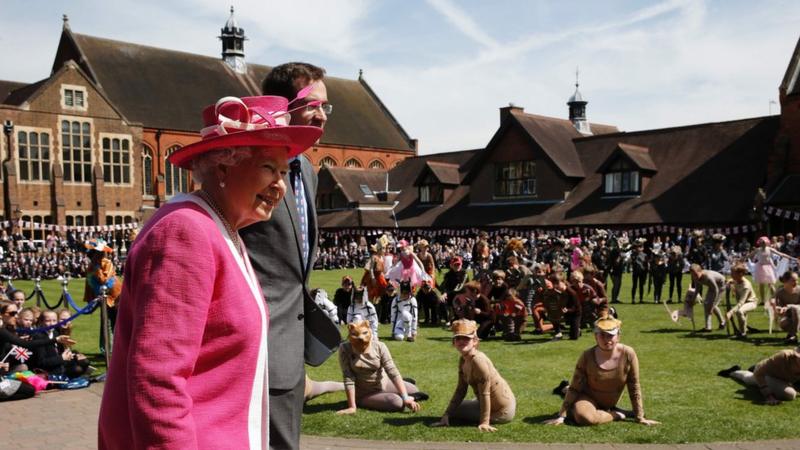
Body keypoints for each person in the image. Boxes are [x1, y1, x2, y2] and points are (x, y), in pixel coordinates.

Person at [98, 94, 322, 450]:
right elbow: (158, 380)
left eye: (283, 172)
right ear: (223, 166)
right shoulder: (187, 231)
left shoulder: (222, 229)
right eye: (268, 168)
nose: (280, 185)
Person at [239, 62, 332, 450]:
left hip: (292, 337)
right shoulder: (247, 164)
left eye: (328, 107)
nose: (323, 115)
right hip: (253, 337)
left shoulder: (307, 169)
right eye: (314, 104)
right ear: (282, 105)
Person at [543, 316, 659, 426]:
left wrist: (640, 416)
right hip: (586, 397)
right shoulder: (587, 356)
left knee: (583, 413)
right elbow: (575, 386)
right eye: (602, 335)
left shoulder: (628, 354)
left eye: (610, 335)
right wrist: (561, 416)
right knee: (584, 418)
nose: (606, 339)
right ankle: (615, 414)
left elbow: (634, 385)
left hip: (608, 402)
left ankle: (568, 392)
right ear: (595, 336)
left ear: (618, 336)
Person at [431, 319, 516, 432]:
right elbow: (461, 390)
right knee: (455, 410)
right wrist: (446, 415)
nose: (461, 341)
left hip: (502, 410)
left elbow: (485, 393)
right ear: (453, 342)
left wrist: (484, 422)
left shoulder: (478, 361)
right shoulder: (463, 359)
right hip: (486, 401)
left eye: (466, 338)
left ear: (475, 341)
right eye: (458, 338)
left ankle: (485, 415)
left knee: (458, 412)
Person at [336, 319, 424, 414]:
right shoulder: (345, 349)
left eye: (364, 333)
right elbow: (348, 377)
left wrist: (405, 397)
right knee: (397, 403)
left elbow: (392, 370)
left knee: (413, 389)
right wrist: (352, 406)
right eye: (355, 334)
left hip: (383, 382)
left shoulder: (379, 346)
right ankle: (363, 400)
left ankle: (399, 385)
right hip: (365, 391)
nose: (361, 337)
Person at [718, 347, 800, 405]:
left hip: (784, 379)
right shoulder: (784, 356)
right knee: (789, 394)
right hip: (765, 373)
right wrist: (769, 396)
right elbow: (759, 373)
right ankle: (733, 372)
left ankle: (751, 370)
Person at [750, 236, 799, 305]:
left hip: (768, 268)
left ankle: (777, 298)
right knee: (761, 285)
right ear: (760, 243)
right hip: (760, 268)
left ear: (766, 243)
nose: (762, 244)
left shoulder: (769, 249)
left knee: (770, 284)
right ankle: (762, 301)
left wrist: (792, 258)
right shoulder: (758, 250)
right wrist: (742, 259)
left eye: (764, 242)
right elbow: (750, 255)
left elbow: (781, 254)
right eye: (761, 242)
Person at [689, 264, 727, 332]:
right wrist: (693, 300)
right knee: (706, 304)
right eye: (692, 275)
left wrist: (712, 306)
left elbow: (716, 290)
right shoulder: (695, 277)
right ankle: (708, 327)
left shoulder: (708, 277)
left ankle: (722, 322)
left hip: (721, 286)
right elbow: (697, 289)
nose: (694, 276)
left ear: (700, 271)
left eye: (695, 274)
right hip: (712, 287)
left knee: (713, 306)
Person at [725, 263, 758, 338]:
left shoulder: (746, 285)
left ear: (740, 274)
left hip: (751, 302)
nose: (731, 274)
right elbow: (731, 280)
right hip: (743, 303)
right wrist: (728, 282)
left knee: (739, 311)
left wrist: (730, 312)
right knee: (740, 313)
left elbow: (741, 302)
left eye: (733, 273)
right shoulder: (736, 280)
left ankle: (743, 333)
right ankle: (742, 331)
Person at [771, 271, 800, 343]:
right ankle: (793, 335)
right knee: (783, 323)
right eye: (793, 280)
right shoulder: (780, 292)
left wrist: (789, 306)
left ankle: (793, 335)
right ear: (785, 281)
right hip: (789, 317)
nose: (796, 282)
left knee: (795, 309)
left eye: (797, 280)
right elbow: (777, 306)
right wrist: (778, 309)